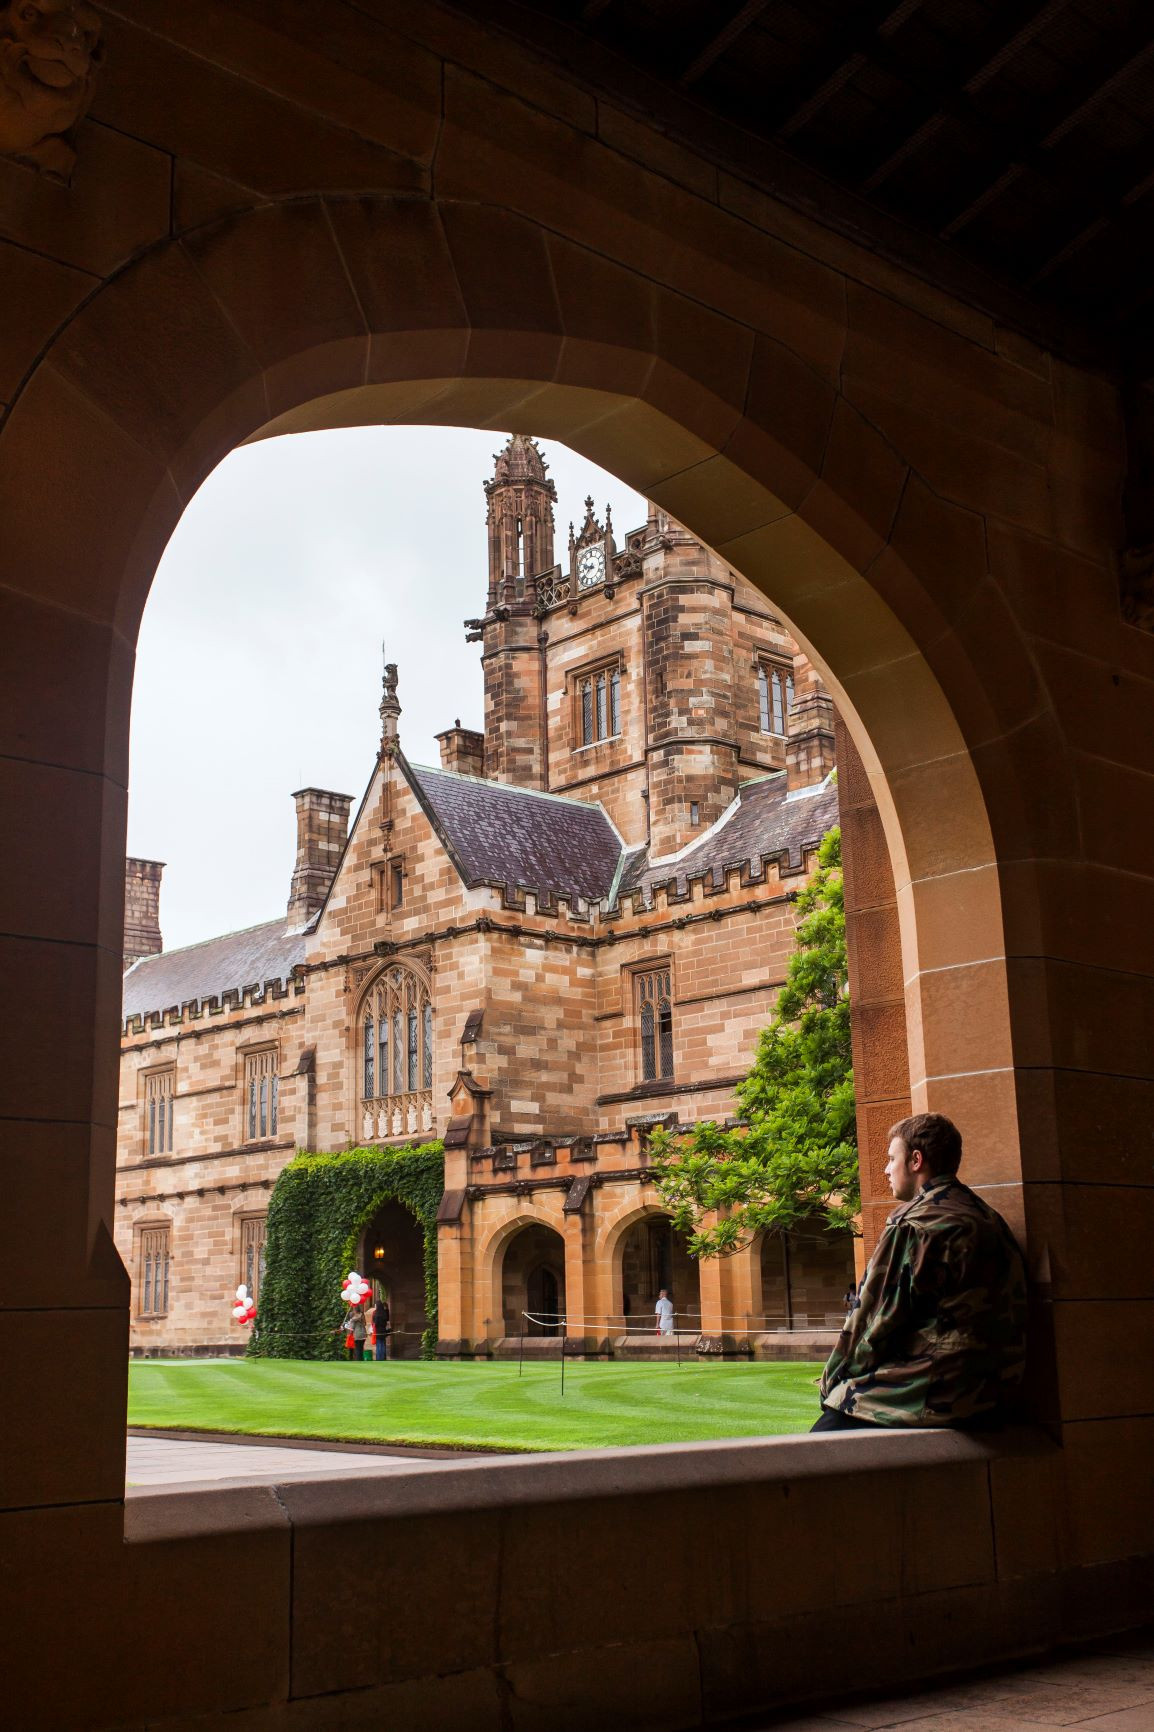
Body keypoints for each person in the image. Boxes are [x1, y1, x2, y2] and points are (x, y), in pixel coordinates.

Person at [813, 1113, 1027, 1432]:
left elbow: (872, 1321)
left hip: (942, 1391)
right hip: (1000, 1387)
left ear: (916, 1160)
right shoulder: (989, 1217)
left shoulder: (914, 1222)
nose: (886, 1169)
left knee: (827, 1428)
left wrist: (831, 1381)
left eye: (891, 1158)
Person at [372, 1295, 390, 1361]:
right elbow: (387, 1318)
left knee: (379, 1345)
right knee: (383, 1345)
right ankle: (383, 1358)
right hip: (384, 1330)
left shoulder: (376, 1314)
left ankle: (379, 1359)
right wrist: (387, 1308)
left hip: (378, 1331)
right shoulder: (384, 1313)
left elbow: (375, 1323)